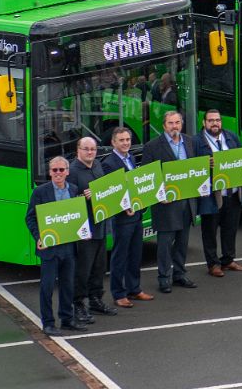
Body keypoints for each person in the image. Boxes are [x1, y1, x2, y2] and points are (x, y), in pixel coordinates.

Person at [26, 156, 88, 336]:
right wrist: (38, 237)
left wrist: (82, 231)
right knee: (47, 287)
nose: (58, 173)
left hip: (69, 248)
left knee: (68, 285)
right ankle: (48, 323)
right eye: (55, 170)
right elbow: (30, 217)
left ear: (67, 172)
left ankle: (67, 319)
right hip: (50, 249)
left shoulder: (74, 190)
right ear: (50, 172)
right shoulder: (40, 192)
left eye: (61, 170)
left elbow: (76, 216)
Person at [141, 111, 198, 294]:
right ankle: (164, 278)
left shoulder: (189, 141)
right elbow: (147, 175)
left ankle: (179, 274)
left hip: (186, 201)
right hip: (166, 204)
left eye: (177, 123)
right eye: (171, 123)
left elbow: (195, 168)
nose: (175, 126)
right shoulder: (153, 146)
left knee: (182, 242)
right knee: (165, 245)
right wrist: (159, 193)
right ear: (164, 126)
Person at [100, 127, 151, 308]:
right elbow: (111, 193)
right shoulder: (109, 163)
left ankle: (134, 289)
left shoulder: (130, 158)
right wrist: (124, 208)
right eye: (121, 140)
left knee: (135, 254)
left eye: (128, 140)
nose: (126, 143)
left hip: (136, 215)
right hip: (122, 218)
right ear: (113, 142)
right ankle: (118, 293)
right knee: (120, 256)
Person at [195, 109, 242, 278]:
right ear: (204, 123)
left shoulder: (231, 137)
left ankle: (228, 259)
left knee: (230, 228)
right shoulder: (196, 141)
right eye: (211, 120)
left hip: (232, 193)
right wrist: (204, 164)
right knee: (209, 231)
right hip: (211, 195)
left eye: (217, 120)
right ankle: (213, 264)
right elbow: (191, 166)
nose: (215, 123)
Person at [66, 137, 115, 324]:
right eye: (86, 149)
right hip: (84, 230)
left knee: (99, 266)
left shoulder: (97, 166)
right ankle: (78, 303)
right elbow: (68, 202)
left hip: (100, 224)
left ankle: (95, 299)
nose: (90, 152)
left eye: (93, 149)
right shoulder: (72, 172)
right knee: (82, 269)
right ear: (78, 150)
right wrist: (82, 197)